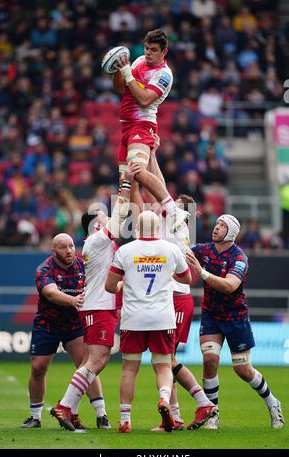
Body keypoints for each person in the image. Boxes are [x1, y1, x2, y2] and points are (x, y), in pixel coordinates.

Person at [50, 163, 139, 431]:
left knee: (94, 361)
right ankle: (64, 406)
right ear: (94, 225)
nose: (107, 218)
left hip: (98, 305)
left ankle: (71, 409)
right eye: (101, 216)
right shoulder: (98, 239)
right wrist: (126, 182)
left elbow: (128, 218)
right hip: (98, 307)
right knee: (96, 361)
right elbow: (122, 213)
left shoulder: (100, 243)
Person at [137, 140, 217, 431]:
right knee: (163, 359)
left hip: (176, 297)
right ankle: (176, 415)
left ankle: (202, 403)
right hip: (169, 297)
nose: (164, 202)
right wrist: (153, 154)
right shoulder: (173, 225)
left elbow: (157, 186)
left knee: (165, 359)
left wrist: (140, 165)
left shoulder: (177, 220)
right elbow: (160, 185)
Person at [186, 214, 285, 430]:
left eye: (222, 226)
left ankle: (272, 402)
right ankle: (213, 413)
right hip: (211, 314)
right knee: (210, 361)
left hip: (236, 317)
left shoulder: (239, 258)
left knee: (243, 369)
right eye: (217, 224)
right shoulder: (205, 249)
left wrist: (201, 272)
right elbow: (180, 251)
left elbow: (230, 286)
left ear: (230, 233)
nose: (216, 228)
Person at [105, 210, 192, 433]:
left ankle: (125, 419)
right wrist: (166, 272)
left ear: (136, 229)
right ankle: (164, 399)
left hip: (133, 318)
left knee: (129, 369)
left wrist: (124, 284)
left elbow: (109, 286)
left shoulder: (125, 250)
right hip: (162, 317)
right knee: (163, 366)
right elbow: (187, 278)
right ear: (158, 228)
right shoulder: (171, 249)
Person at [21, 233, 109, 430]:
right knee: (38, 367)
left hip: (74, 325)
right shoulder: (44, 269)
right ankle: (35, 416)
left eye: (71, 246)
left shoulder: (82, 265)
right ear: (54, 251)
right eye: (63, 247)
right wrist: (72, 300)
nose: (69, 251)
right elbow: (50, 292)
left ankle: (101, 415)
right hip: (47, 324)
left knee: (87, 367)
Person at [112, 28, 188, 233]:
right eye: (146, 48)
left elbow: (144, 99)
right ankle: (140, 232)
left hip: (142, 125)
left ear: (164, 52)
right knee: (127, 182)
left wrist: (127, 73)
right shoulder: (137, 61)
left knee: (136, 169)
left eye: (153, 50)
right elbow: (120, 88)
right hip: (126, 127)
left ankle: (173, 210)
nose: (148, 53)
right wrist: (118, 70)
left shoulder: (164, 75)